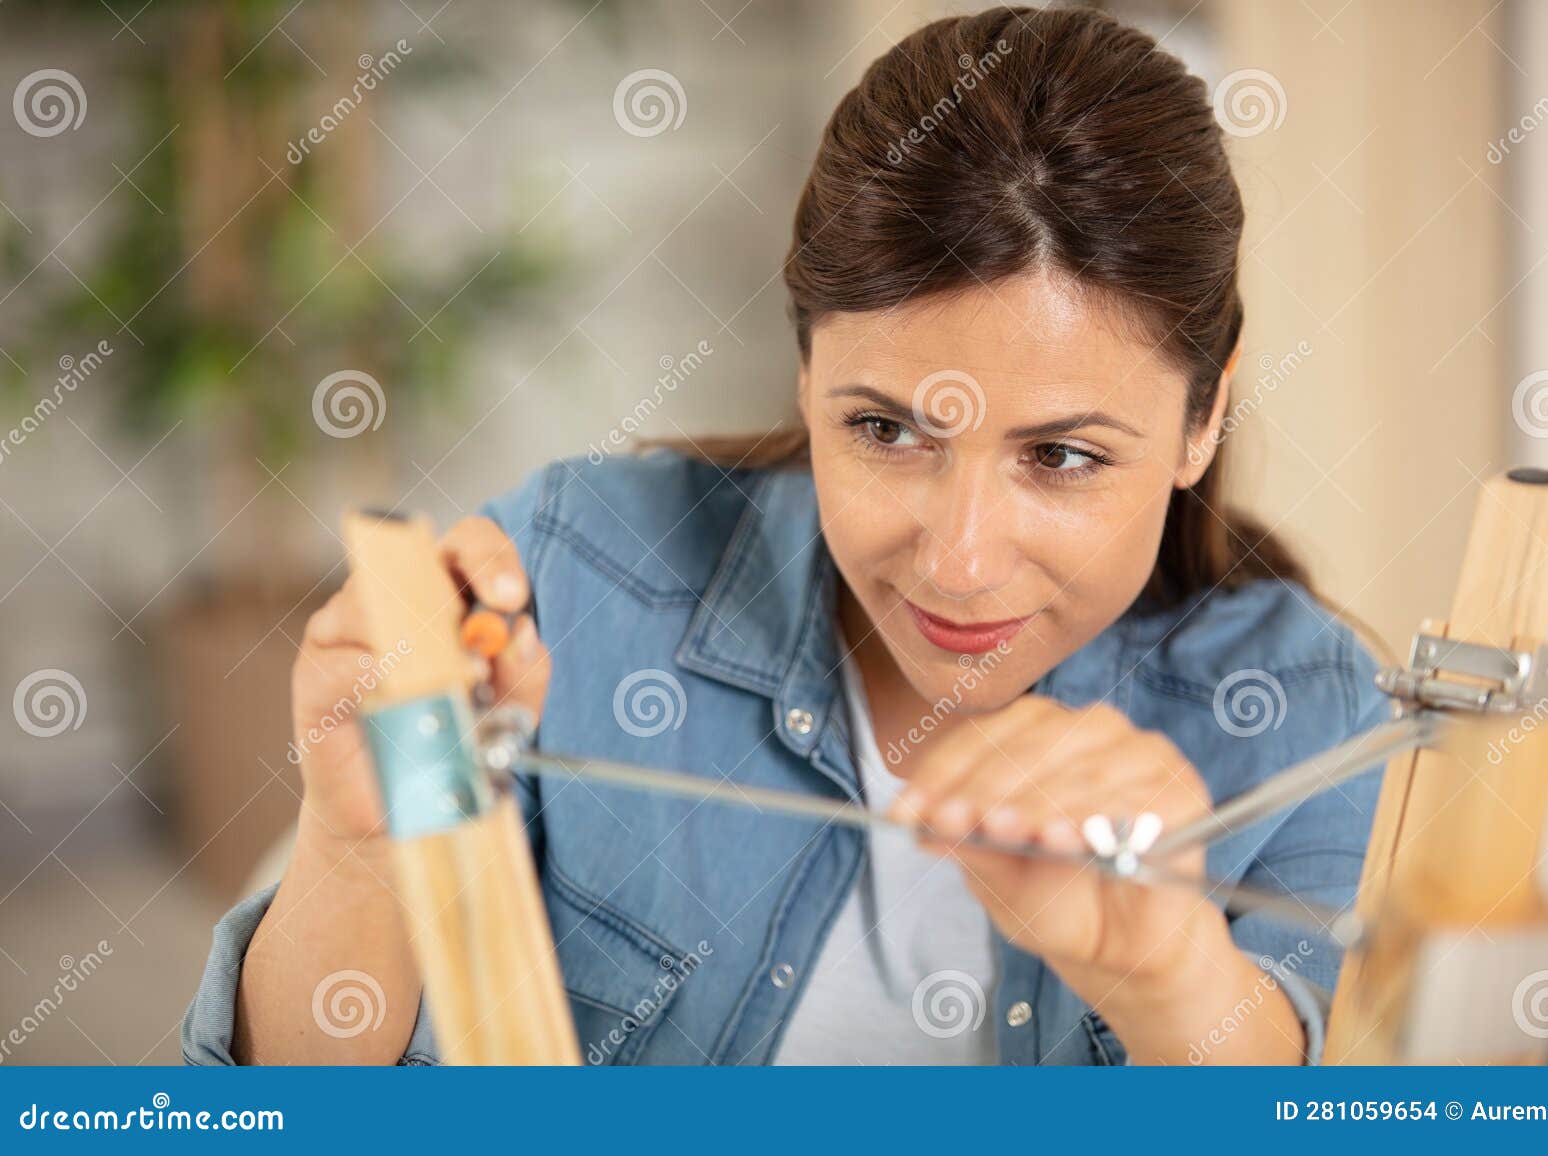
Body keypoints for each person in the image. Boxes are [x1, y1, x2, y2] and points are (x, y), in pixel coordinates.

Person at [183, 5, 1389, 1067]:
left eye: (1061, 456)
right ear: (806, 368)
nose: (960, 560)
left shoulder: (1302, 708)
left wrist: (1171, 985)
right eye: (885, 429)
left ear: (1203, 415)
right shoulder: (568, 575)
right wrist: (353, 849)